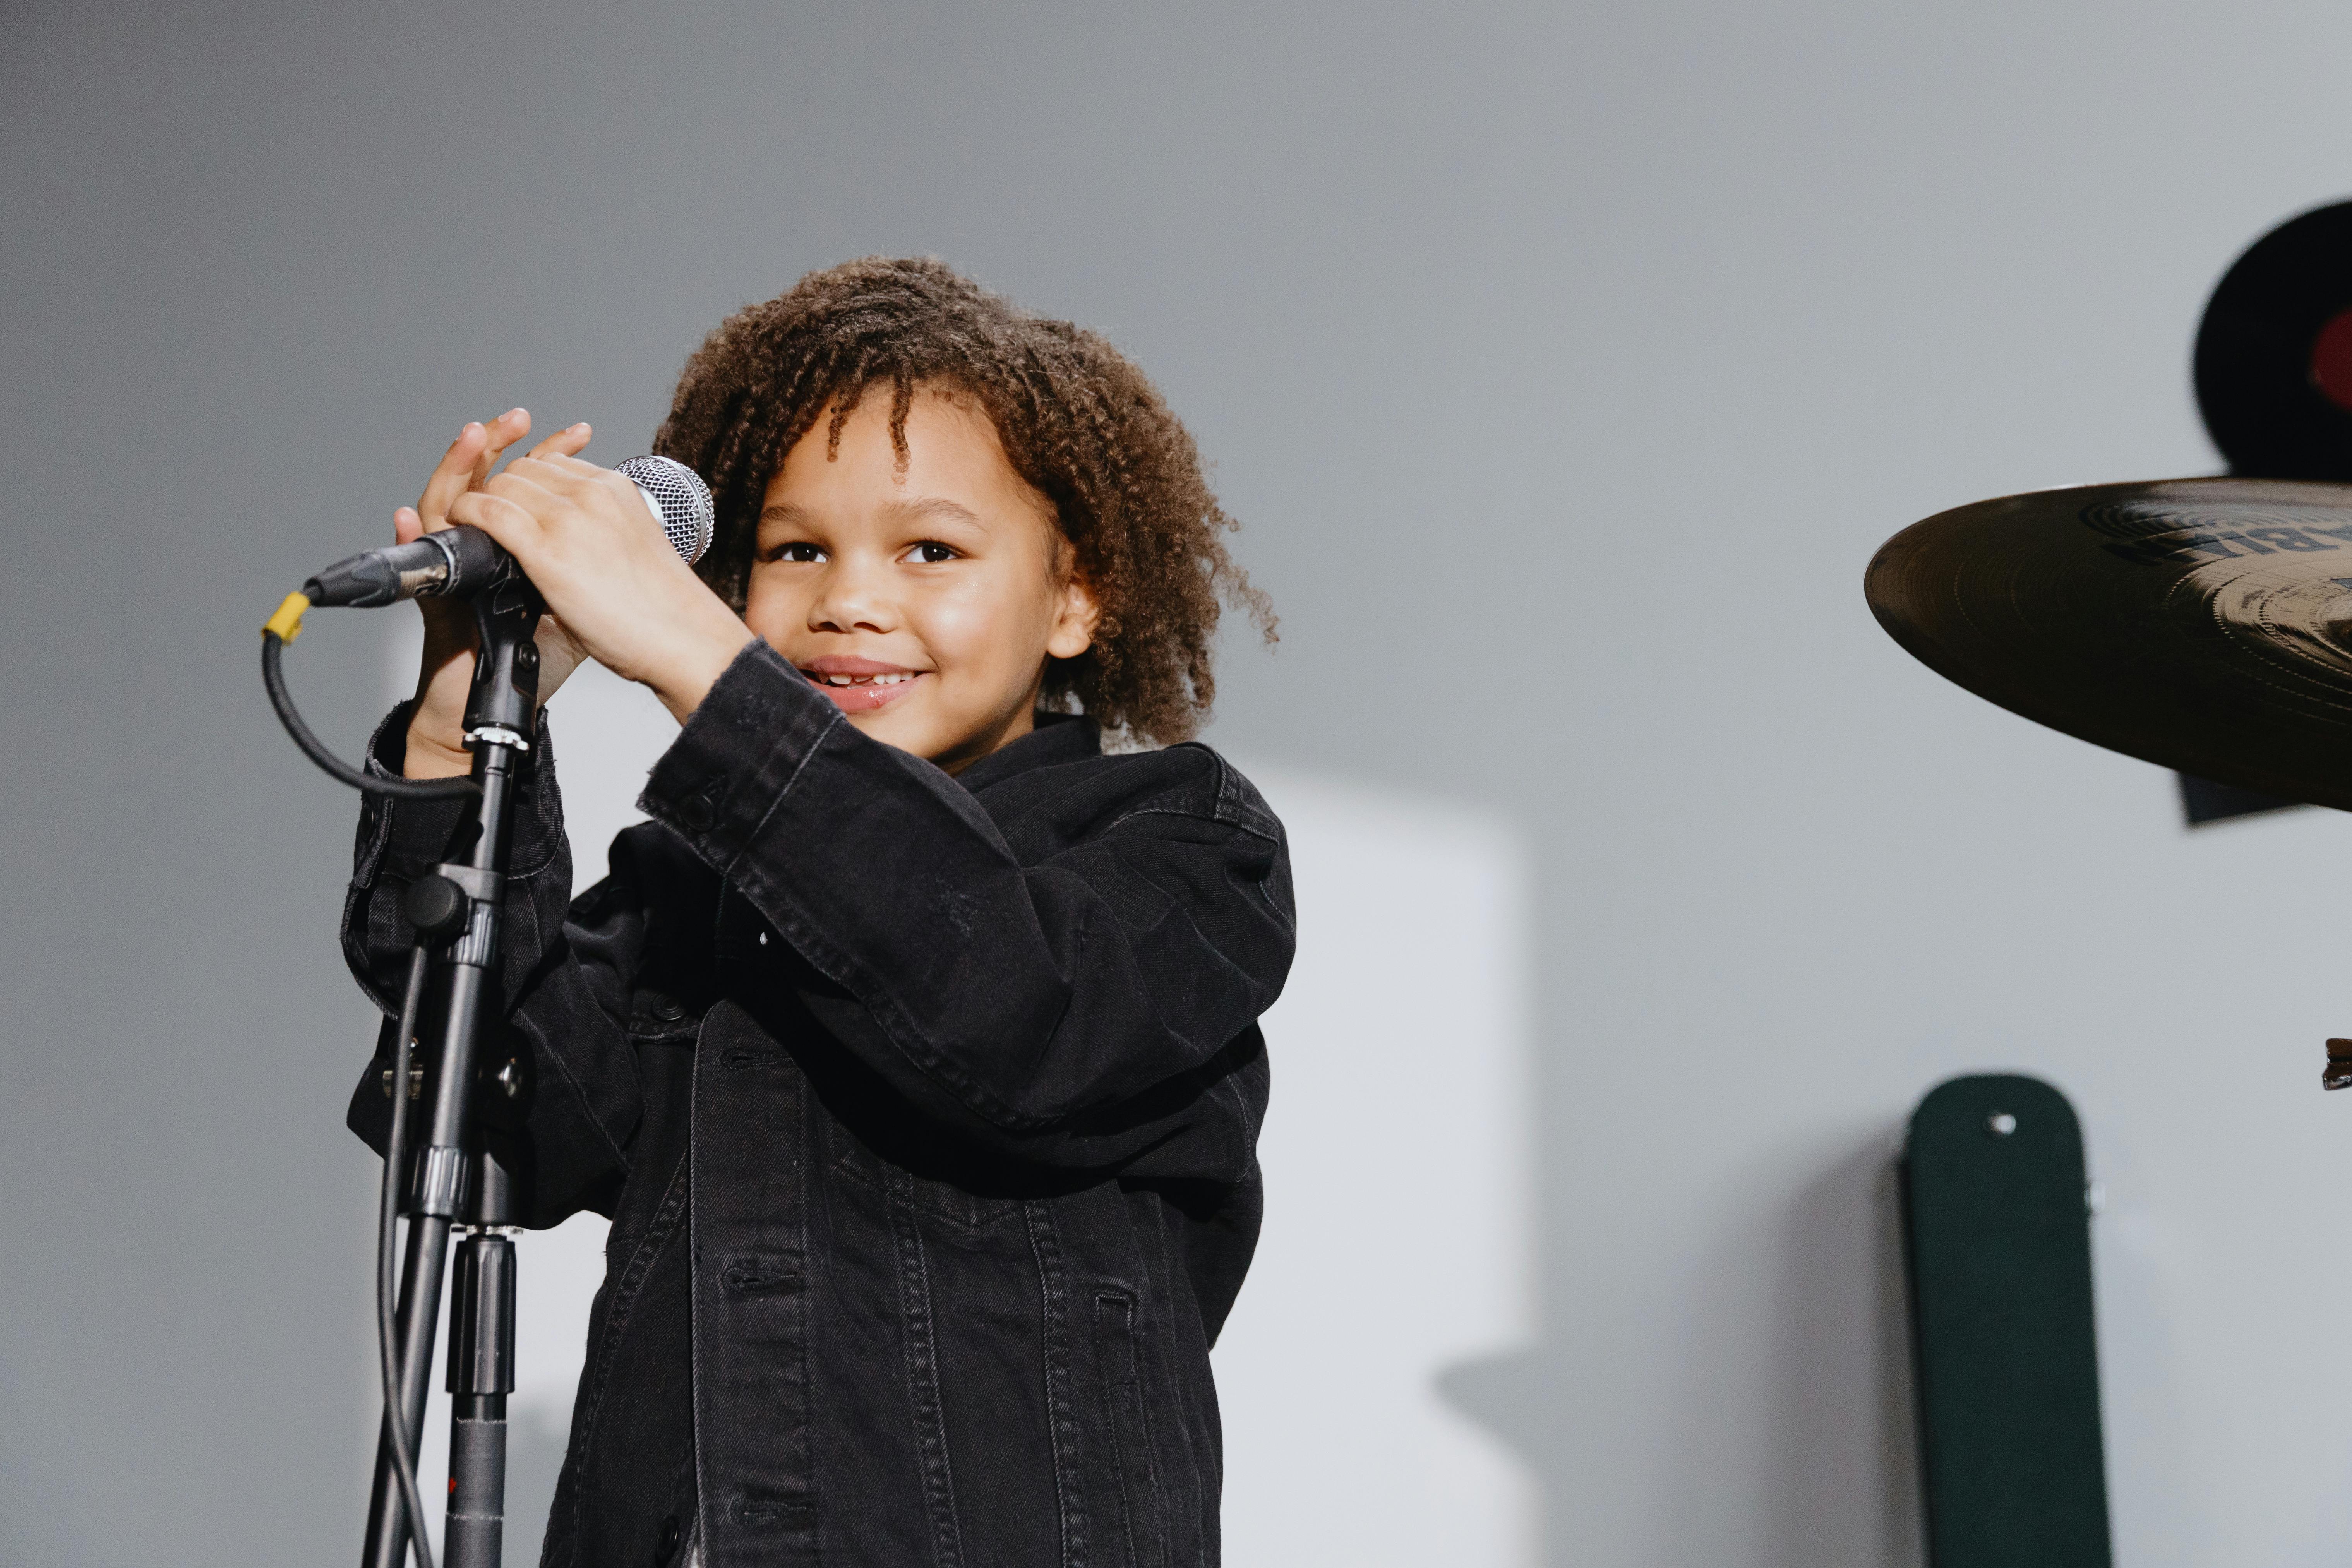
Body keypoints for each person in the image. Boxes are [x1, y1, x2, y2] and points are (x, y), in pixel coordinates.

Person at [340, 257, 1293, 1568]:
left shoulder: (1176, 846)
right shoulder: (697, 896)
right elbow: (512, 1107)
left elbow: (1015, 1010)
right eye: (794, 550)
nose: (848, 599)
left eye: (931, 549)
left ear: (1078, 598)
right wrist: (460, 713)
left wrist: (702, 669)